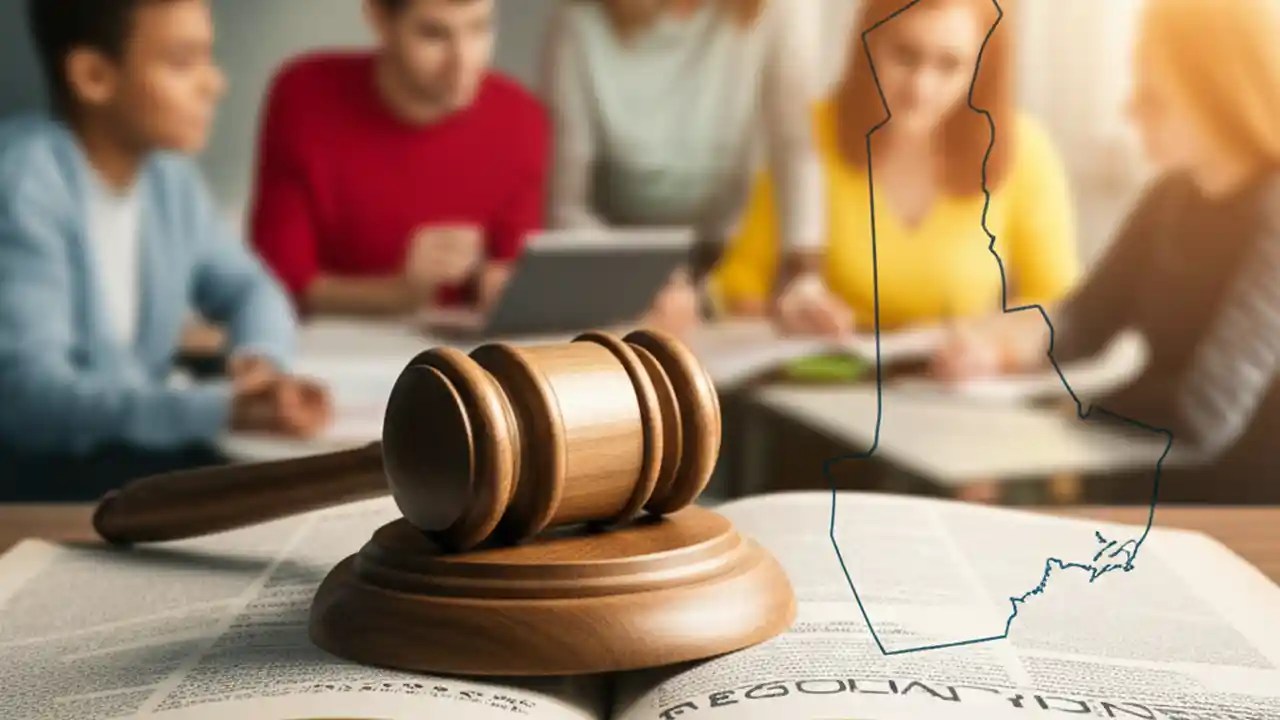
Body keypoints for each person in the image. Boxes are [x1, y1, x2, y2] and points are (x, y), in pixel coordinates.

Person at [931, 0, 1280, 499]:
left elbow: (1205, 415)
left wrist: (1072, 406)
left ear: (1221, 95)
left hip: (1241, 509)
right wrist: (1001, 353)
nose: (1130, 112)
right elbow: (1085, 323)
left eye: (1153, 97)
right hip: (1143, 484)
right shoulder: (1170, 197)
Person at [0, 0, 329, 501]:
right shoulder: (26, 183)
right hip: (42, 483)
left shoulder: (167, 180)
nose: (213, 83)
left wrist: (258, 359)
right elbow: (30, 402)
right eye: (182, 62)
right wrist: (221, 408)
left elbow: (251, 288)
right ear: (93, 76)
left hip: (122, 463)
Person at [711, 0, 1079, 336]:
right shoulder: (810, 138)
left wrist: (997, 350)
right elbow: (738, 285)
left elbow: (1058, 304)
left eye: (949, 65)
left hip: (958, 389)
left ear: (983, 68)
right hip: (828, 383)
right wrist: (782, 314)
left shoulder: (1025, 151)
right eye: (905, 55)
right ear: (870, 43)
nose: (920, 87)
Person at [251, 0, 550, 318]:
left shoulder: (522, 118)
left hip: (460, 356)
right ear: (379, 19)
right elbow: (275, 282)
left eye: (479, 28)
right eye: (433, 34)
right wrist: (398, 294)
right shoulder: (305, 97)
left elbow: (513, 272)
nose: (463, 61)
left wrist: (495, 286)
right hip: (332, 349)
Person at [543, 0, 826, 332]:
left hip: (716, 266)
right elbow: (564, 204)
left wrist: (803, 274)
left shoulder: (769, 13)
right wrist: (641, 279)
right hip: (609, 269)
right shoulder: (578, 26)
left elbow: (794, 148)